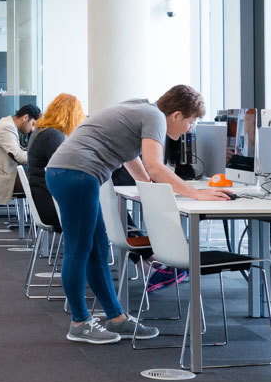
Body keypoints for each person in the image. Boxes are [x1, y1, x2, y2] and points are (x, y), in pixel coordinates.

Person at [44, 85, 229, 344]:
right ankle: (79, 323)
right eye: (191, 121)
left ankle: (116, 318)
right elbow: (154, 164)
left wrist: (149, 187)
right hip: (77, 174)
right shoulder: (154, 117)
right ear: (175, 115)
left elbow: (130, 158)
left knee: (96, 250)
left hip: (71, 173)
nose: (191, 128)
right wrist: (195, 194)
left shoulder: (141, 109)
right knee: (79, 250)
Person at [25, 93, 83, 229]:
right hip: (51, 206)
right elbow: (63, 171)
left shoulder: (40, 132)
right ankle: (136, 243)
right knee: (106, 206)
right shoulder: (52, 135)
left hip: (42, 200)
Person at [0, 105, 38, 204]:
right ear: (25, 118)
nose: (33, 129)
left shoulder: (7, 123)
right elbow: (19, 156)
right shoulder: (7, 127)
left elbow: (18, 151)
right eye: (33, 124)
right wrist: (40, 157)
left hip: (0, 170)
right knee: (42, 182)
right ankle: (46, 216)